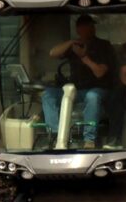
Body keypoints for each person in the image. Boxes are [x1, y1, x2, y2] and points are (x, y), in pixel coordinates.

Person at [41, 14, 116, 147]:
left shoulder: (104, 45)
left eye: (92, 26)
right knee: (48, 94)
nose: (91, 29)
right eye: (87, 26)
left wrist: (84, 57)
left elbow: (100, 73)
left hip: (98, 89)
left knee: (92, 96)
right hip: (76, 90)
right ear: (78, 30)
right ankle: (55, 135)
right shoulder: (74, 46)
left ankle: (89, 140)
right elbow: (52, 53)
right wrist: (71, 42)